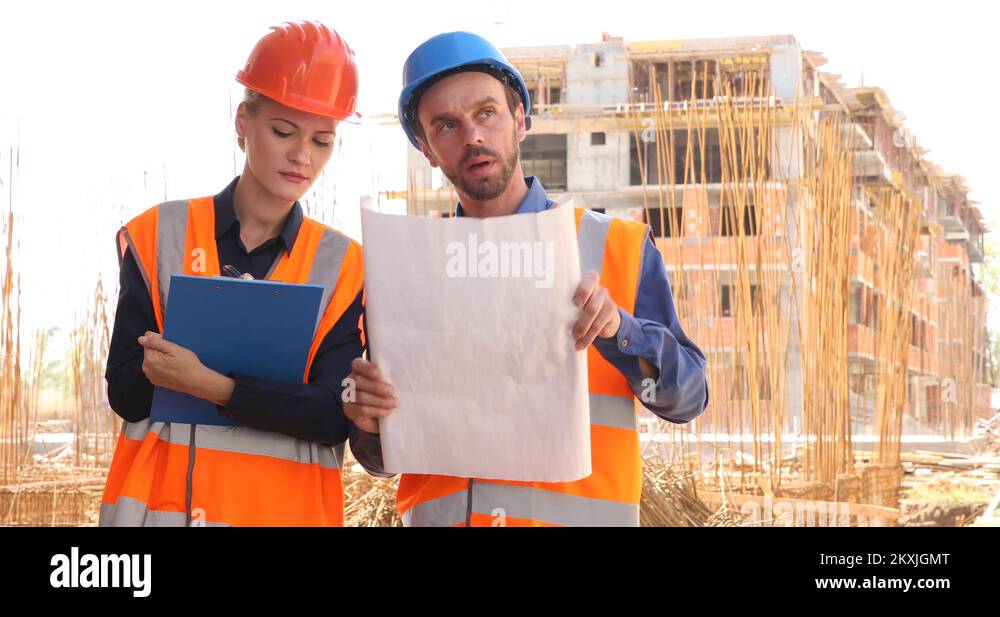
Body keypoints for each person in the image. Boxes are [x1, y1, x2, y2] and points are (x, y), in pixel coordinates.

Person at [345, 32, 709, 526]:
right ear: (427, 150)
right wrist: (369, 427)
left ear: (520, 121)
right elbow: (384, 458)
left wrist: (619, 331)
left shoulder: (615, 249)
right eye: (447, 125)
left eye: (487, 113)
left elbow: (689, 398)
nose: (472, 135)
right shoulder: (406, 271)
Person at [100, 20, 364, 527]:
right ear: (243, 121)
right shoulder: (160, 234)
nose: (301, 157)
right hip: (163, 514)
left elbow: (332, 416)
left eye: (322, 141)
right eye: (283, 131)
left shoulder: (344, 265)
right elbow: (125, 392)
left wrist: (211, 385)